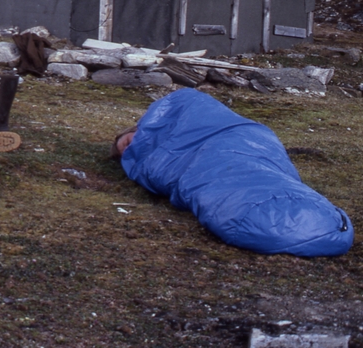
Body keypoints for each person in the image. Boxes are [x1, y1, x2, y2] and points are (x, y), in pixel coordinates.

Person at [110, 88, 352, 257]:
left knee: (258, 171)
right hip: (207, 161)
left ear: (139, 128)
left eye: (128, 142)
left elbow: (190, 103)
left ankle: (311, 213)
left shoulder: (174, 115)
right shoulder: (152, 161)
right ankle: (313, 219)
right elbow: (164, 170)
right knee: (226, 185)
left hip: (239, 137)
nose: (132, 148)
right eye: (126, 154)